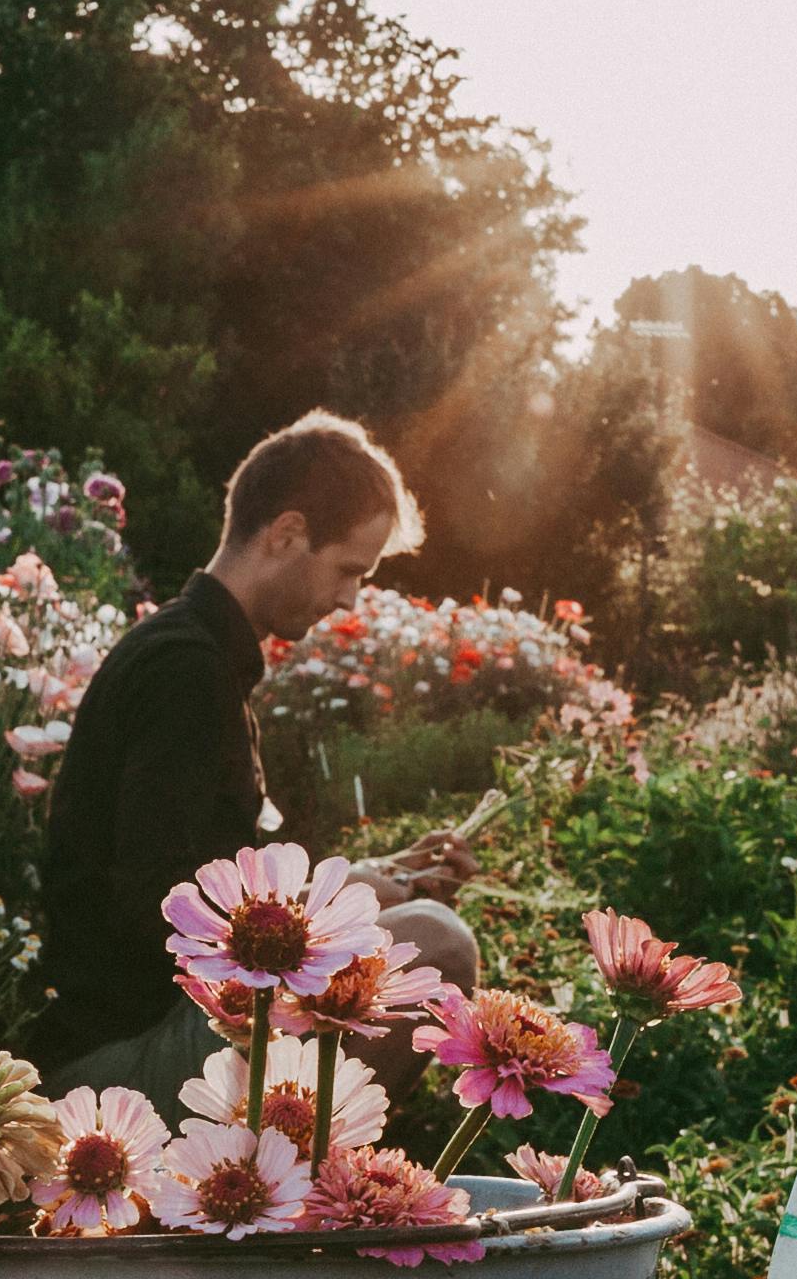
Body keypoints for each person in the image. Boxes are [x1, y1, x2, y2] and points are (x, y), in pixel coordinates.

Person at [27, 412, 481, 1099]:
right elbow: (159, 907)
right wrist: (342, 905)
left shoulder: (196, 656)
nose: (350, 597)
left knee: (412, 927)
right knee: (437, 944)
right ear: (287, 534)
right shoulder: (186, 670)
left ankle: (285, 1182)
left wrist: (369, 879)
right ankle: (277, 1193)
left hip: (141, 1034)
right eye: (348, 569)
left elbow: (205, 882)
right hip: (116, 1062)